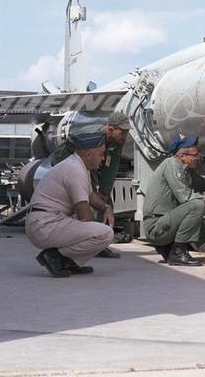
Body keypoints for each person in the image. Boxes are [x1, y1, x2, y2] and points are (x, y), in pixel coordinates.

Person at [26, 127, 115, 278]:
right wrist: (96, 233)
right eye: (101, 154)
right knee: (105, 234)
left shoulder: (78, 165)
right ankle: (54, 256)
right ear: (88, 154)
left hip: (46, 221)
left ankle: (69, 262)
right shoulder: (75, 170)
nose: (103, 158)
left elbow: (90, 195)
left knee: (94, 229)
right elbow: (85, 217)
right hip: (44, 225)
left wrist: (105, 207)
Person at [48, 110, 130, 258]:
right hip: (68, 161)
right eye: (122, 132)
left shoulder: (116, 142)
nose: (126, 136)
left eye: (127, 132)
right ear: (110, 129)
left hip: (87, 165)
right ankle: (82, 241)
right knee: (84, 202)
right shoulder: (94, 137)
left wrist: (104, 192)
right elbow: (82, 160)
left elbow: (110, 168)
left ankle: (98, 243)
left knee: (104, 202)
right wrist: (94, 189)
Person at [142, 136, 205, 266]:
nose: (198, 158)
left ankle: (169, 248)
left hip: (168, 223)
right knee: (197, 205)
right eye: (195, 155)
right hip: (156, 226)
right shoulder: (171, 164)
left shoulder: (187, 171)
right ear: (182, 156)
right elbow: (185, 197)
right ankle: (178, 252)